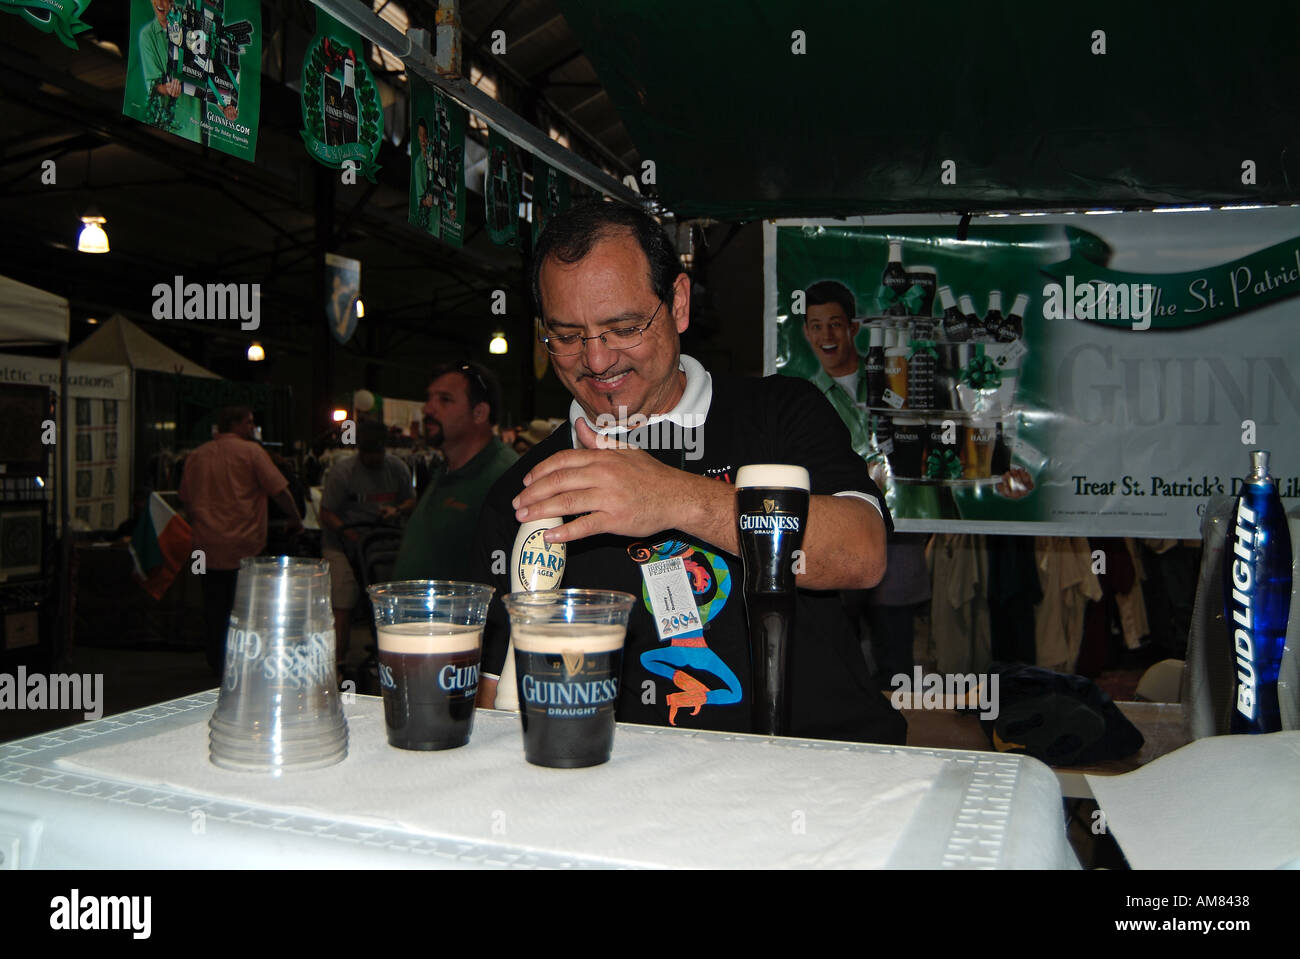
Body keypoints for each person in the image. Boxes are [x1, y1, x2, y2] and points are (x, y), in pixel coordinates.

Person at [469, 201, 905, 744]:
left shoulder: (779, 412)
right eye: (566, 335)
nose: (597, 360)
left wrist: (677, 498)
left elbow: (863, 554)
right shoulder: (525, 492)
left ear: (677, 304)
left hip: (823, 771)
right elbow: (497, 701)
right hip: (636, 799)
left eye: (623, 327)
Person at [179, 406, 303, 675]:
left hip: (206, 549)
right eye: (249, 422)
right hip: (244, 546)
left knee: (214, 608)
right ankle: (245, 665)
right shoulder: (252, 453)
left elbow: (186, 499)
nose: (252, 427)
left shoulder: (196, 456)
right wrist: (296, 518)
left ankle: (217, 664)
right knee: (247, 610)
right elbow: (279, 490)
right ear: (235, 424)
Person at [392, 362, 517, 582]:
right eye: (429, 398)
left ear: (479, 413)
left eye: (444, 399)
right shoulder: (446, 470)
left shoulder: (505, 478)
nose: (427, 409)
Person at [319, 419, 417, 663]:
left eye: (377, 452)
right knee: (343, 599)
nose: (373, 458)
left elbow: (412, 501)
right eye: (367, 452)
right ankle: (337, 663)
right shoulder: (342, 472)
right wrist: (348, 534)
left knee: (390, 596)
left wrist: (396, 510)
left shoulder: (398, 469)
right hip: (343, 543)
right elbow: (326, 513)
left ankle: (393, 655)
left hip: (382, 542)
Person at [803, 280, 874, 461]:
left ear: (853, 327)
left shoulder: (888, 376)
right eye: (817, 326)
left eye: (835, 324)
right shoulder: (804, 398)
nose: (827, 336)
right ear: (807, 333)